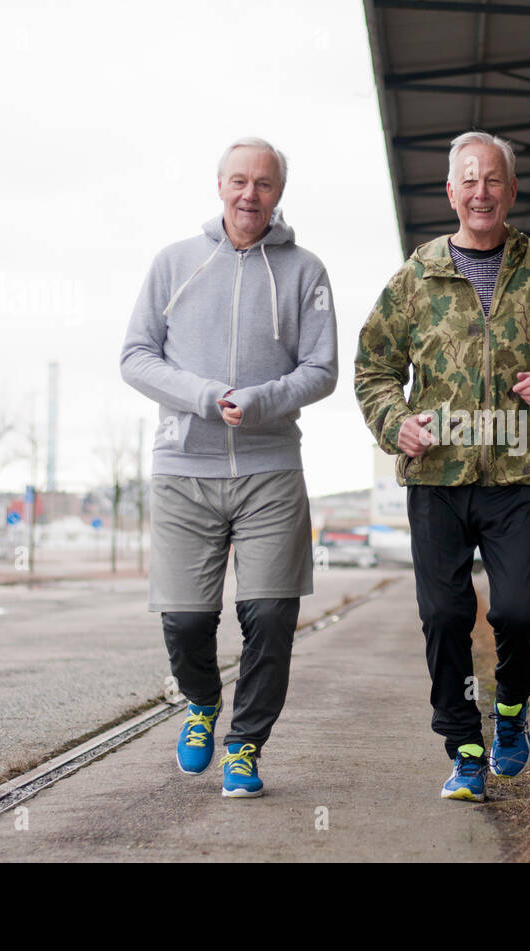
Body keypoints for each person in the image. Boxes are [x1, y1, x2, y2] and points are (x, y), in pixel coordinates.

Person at [354, 130, 530, 801]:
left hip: (520, 475)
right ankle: (465, 746)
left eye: (493, 179)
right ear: (450, 193)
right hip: (437, 476)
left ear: (511, 191)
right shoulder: (416, 277)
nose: (481, 191)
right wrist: (392, 422)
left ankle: (513, 707)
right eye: (468, 179)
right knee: (443, 616)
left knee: (519, 610)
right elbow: (374, 367)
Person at [120, 137, 337, 798]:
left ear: (278, 194)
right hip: (185, 466)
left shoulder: (305, 270)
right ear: (220, 186)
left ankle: (244, 745)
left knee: (270, 615)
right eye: (239, 180)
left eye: (264, 184)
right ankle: (203, 701)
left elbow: (323, 369)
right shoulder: (174, 263)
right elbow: (134, 356)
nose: (250, 194)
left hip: (270, 467)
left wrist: (264, 399)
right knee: (185, 620)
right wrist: (201, 396)